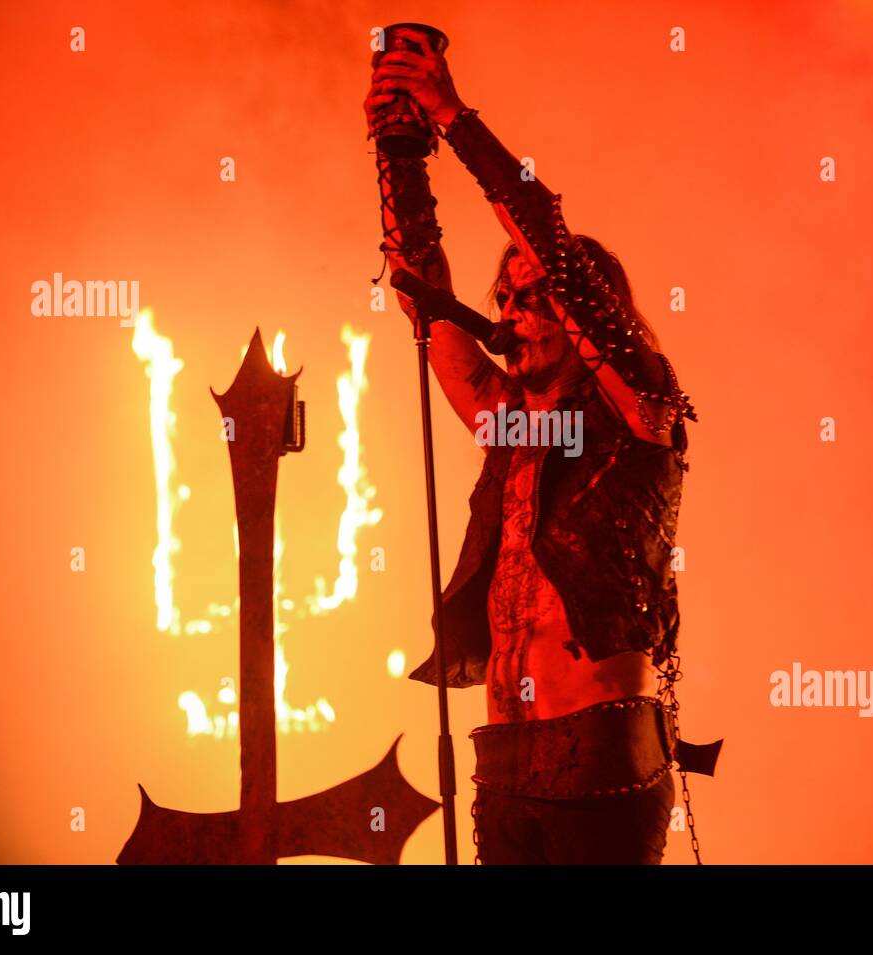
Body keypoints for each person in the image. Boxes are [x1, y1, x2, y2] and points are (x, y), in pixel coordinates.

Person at [366, 26, 708, 864]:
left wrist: (453, 114)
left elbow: (554, 251)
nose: (508, 315)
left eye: (529, 299)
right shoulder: (514, 423)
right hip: (504, 759)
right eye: (504, 297)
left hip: (599, 757)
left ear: (584, 318)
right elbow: (425, 300)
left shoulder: (640, 413)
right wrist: (397, 146)